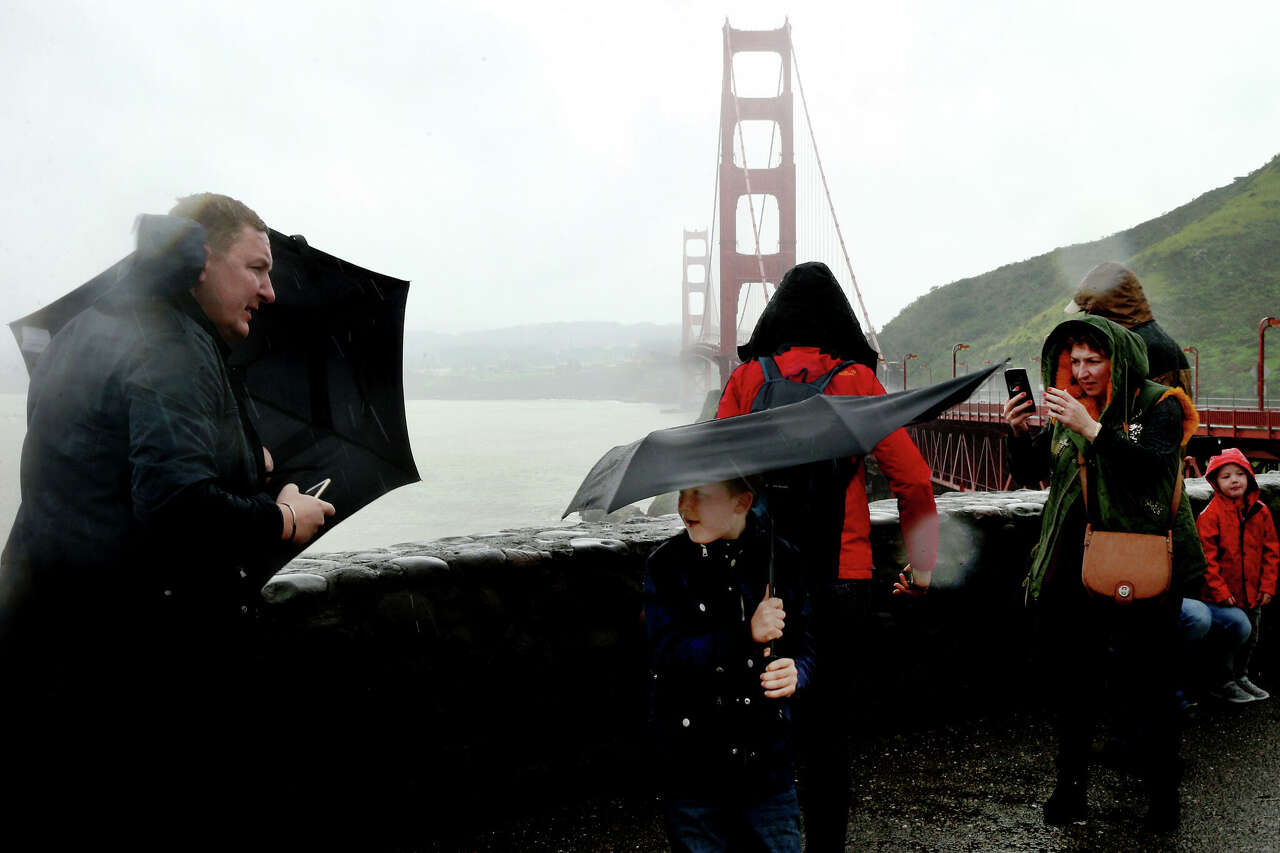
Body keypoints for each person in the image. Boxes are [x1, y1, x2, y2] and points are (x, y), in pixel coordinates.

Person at [0, 194, 335, 805]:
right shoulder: (171, 341)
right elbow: (178, 509)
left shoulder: (87, 328)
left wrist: (238, 462)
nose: (270, 292)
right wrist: (285, 519)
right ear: (202, 259)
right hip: (130, 663)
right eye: (257, 268)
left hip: (44, 630)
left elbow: (101, 470)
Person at [715, 261, 937, 851]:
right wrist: (921, 567)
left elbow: (715, 478)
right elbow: (913, 482)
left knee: (753, 715)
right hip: (843, 577)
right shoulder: (858, 382)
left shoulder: (747, 379)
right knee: (828, 731)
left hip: (762, 579)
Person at [1005, 314, 1204, 831]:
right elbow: (1036, 476)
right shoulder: (1074, 408)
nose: (1083, 371)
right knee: (1078, 688)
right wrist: (1023, 435)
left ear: (1120, 359)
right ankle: (1068, 794)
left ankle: (1165, 803)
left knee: (1152, 688)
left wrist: (1090, 428)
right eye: (1074, 361)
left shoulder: (1156, 405)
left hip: (1143, 563)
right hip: (1077, 565)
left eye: (1094, 360)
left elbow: (1152, 465)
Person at [644, 478, 814, 852]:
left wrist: (795, 674)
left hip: (767, 765)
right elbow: (666, 655)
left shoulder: (780, 558)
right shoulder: (666, 566)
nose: (684, 506)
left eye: (699, 494)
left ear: (742, 502)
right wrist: (744, 637)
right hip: (693, 765)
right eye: (681, 493)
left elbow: (804, 646)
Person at [1195, 448, 1278, 704]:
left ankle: (1242, 676)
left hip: (1253, 592)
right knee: (1229, 640)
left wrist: (1268, 586)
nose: (1234, 480)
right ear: (1215, 483)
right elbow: (1207, 560)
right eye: (1226, 476)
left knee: (1251, 638)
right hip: (1226, 597)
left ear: (1250, 476)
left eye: (1240, 474)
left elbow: (1271, 552)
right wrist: (1221, 593)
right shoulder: (1210, 515)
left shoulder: (1260, 511)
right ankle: (1224, 682)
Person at [1064, 261, 1193, 395]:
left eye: (1089, 313)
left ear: (1105, 313)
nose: (1088, 321)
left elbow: (1150, 409)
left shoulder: (1136, 348)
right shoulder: (1154, 339)